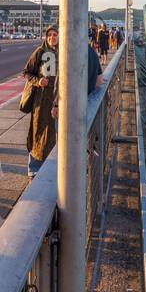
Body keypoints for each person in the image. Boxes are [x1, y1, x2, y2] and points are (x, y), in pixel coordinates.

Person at [22, 26, 104, 179]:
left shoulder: (64, 53)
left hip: (59, 101)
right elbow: (26, 72)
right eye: (50, 35)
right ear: (46, 37)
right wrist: (38, 80)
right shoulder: (40, 52)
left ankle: (53, 170)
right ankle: (34, 170)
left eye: (55, 35)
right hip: (41, 102)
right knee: (38, 135)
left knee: (56, 137)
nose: (52, 37)